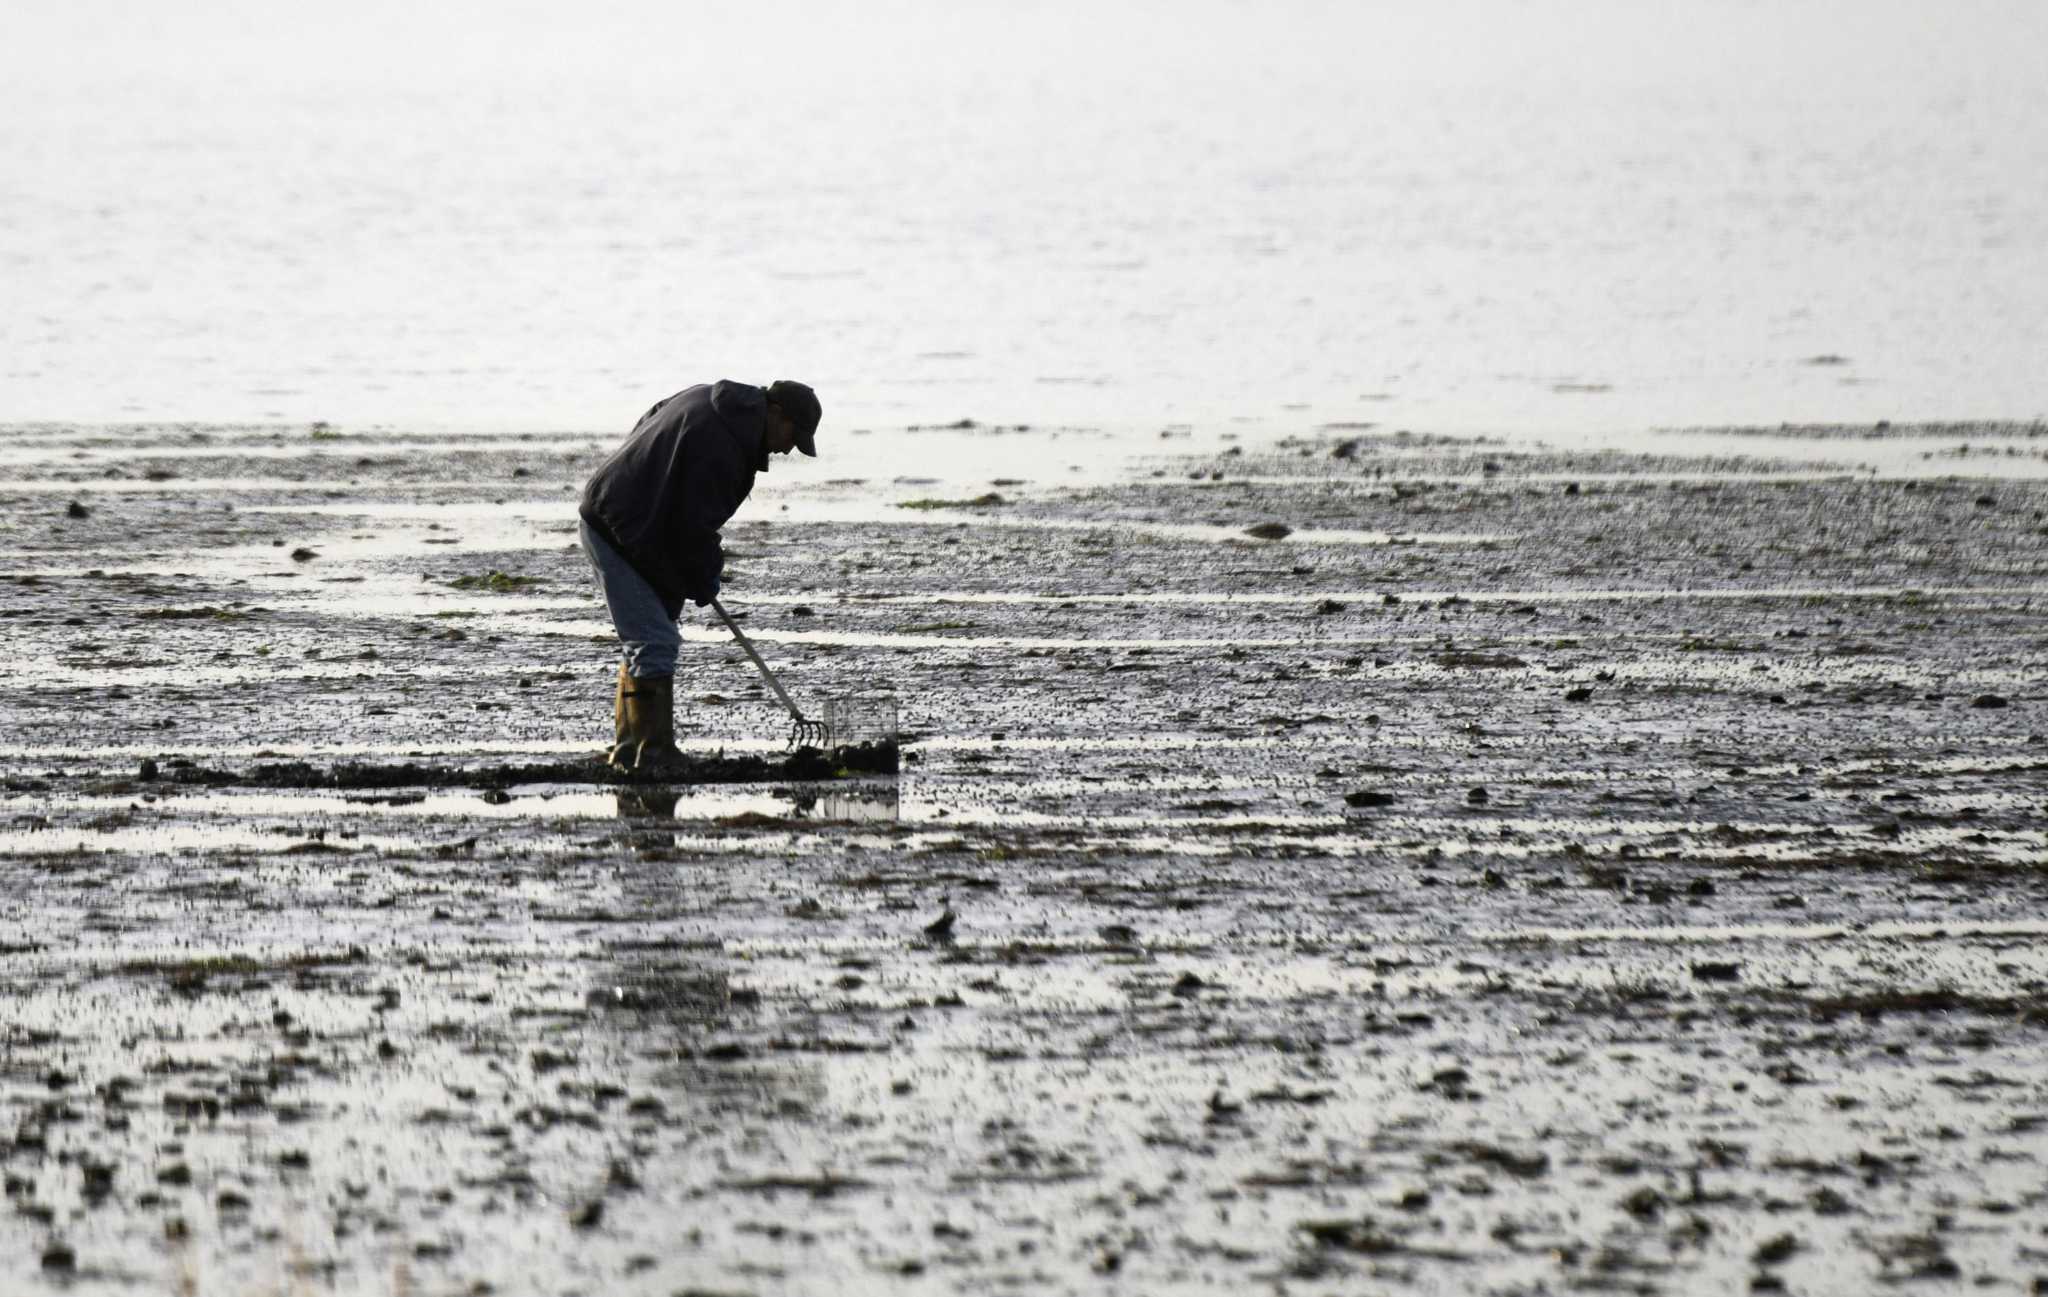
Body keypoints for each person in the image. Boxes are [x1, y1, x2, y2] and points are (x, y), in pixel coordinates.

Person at [578, 379, 821, 772]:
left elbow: (650, 419)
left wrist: (688, 573)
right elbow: (694, 525)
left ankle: (627, 750)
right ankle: (653, 753)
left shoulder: (711, 401)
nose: (788, 448)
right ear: (776, 413)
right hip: (619, 528)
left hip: (627, 520)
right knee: (654, 641)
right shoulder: (724, 446)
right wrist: (705, 575)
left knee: (649, 638)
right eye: (794, 436)